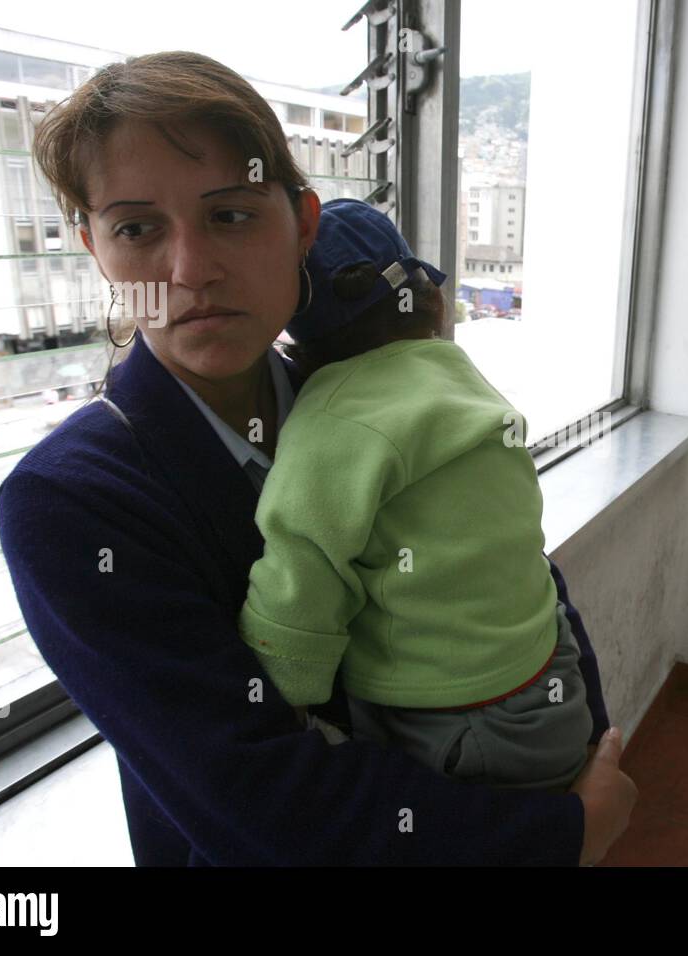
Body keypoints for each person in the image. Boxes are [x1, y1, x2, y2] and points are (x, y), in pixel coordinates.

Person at [0, 50, 635, 866]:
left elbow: (516, 572)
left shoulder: (370, 401)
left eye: (230, 215)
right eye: (137, 228)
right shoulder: (69, 503)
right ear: (92, 248)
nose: (190, 271)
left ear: (302, 224)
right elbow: (266, 802)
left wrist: (583, 752)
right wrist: (562, 835)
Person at [237, 198, 593, 793]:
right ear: (430, 299)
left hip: (454, 721)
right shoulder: (459, 376)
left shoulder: (328, 420)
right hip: (548, 681)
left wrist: (284, 693)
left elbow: (302, 574)